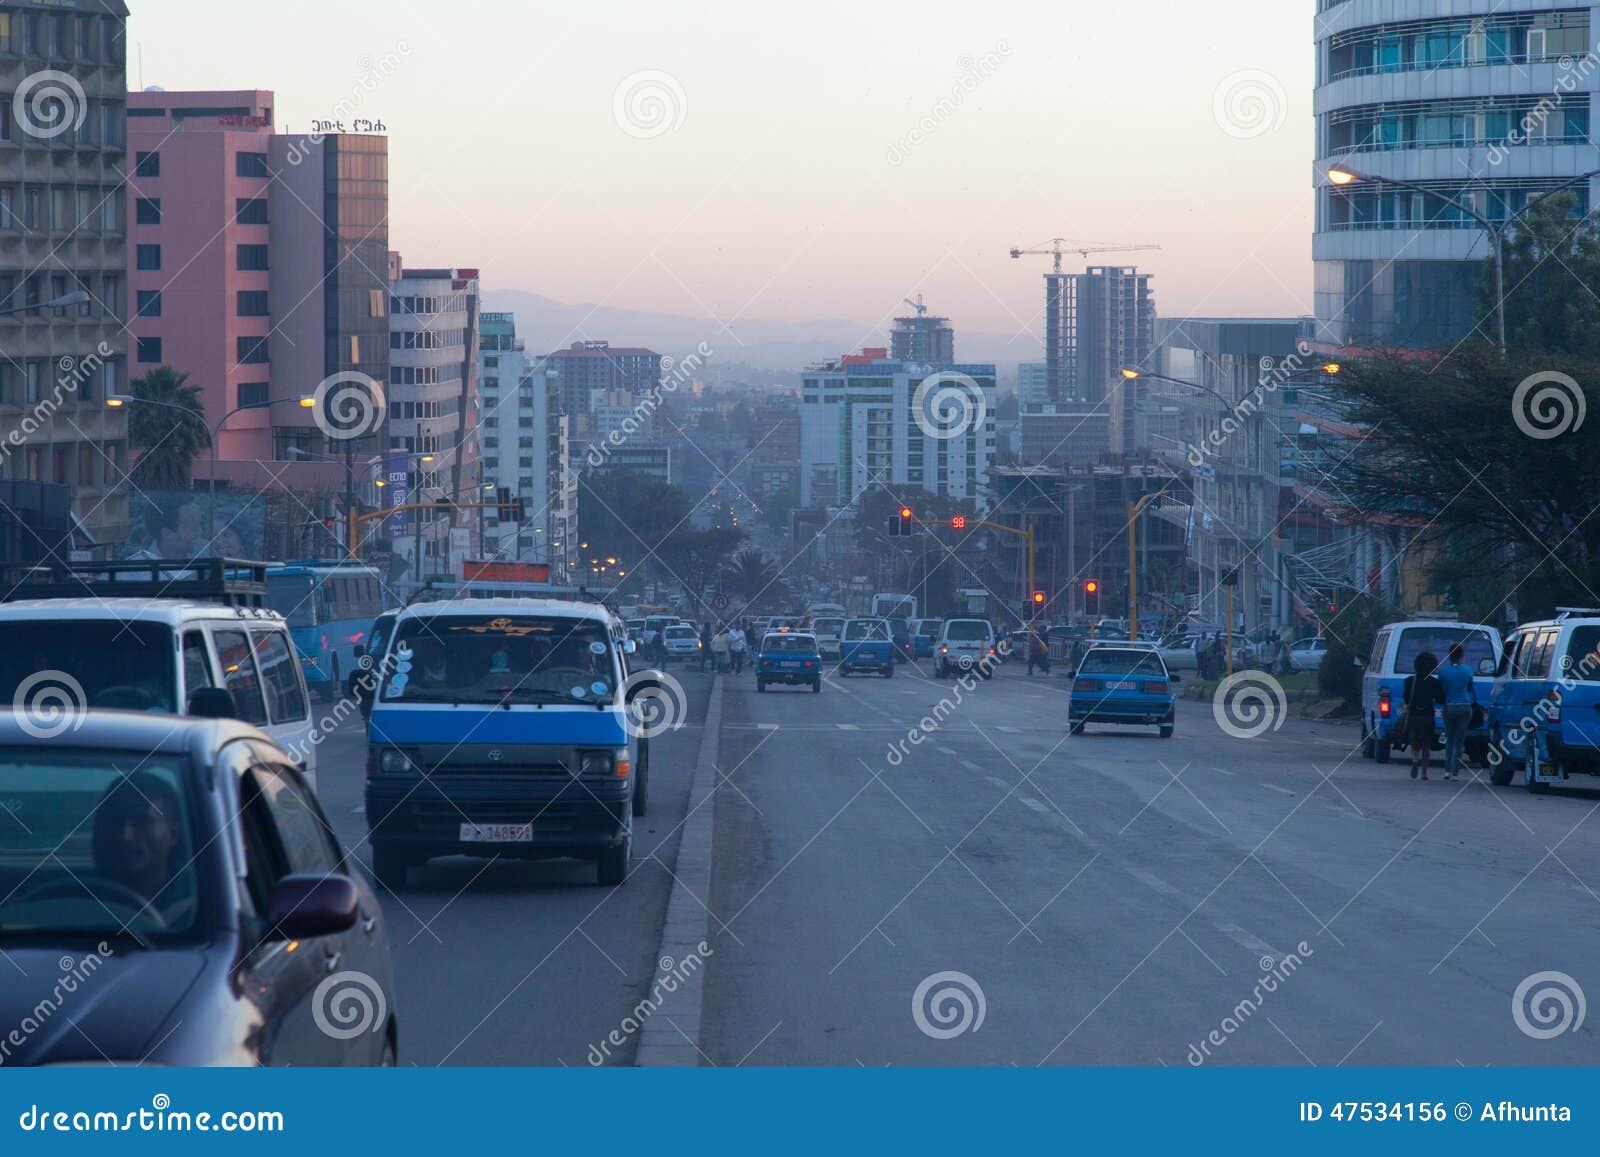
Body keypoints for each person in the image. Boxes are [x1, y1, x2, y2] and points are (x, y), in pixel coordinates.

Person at [92, 773, 188, 919]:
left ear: (173, 833)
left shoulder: (202, 907)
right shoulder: (75, 902)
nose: (125, 836)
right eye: (114, 822)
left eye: (141, 822)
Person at [1402, 650, 1447, 781]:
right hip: (1427, 715)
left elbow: (1406, 699)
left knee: (1414, 741)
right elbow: (1440, 699)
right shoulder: (1434, 682)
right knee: (1426, 744)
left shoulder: (1409, 681)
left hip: (1414, 715)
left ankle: (1415, 759)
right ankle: (1424, 773)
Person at [1436, 642, 1478, 781]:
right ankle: (1455, 772)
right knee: (1459, 741)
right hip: (1464, 706)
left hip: (1449, 706)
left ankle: (1446, 771)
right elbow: (1470, 688)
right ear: (1462, 655)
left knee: (1449, 738)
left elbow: (1441, 690)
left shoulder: (1443, 672)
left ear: (1449, 656)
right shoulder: (1468, 670)